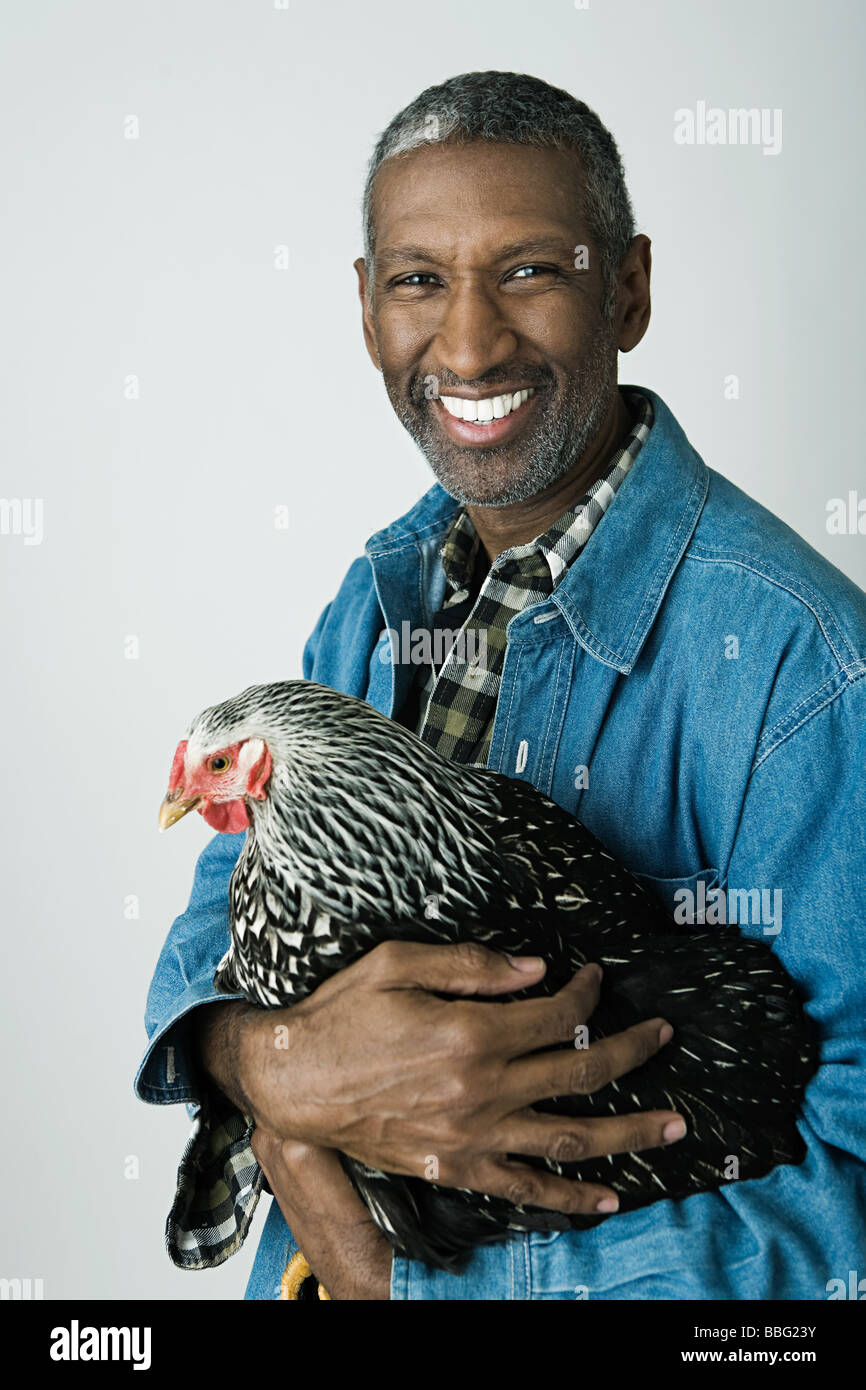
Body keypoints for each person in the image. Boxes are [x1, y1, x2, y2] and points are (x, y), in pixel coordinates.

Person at [136, 71, 866, 1301]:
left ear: (625, 287)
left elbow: (847, 1191)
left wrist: (407, 1288)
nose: (467, 342)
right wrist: (269, 1063)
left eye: (528, 269)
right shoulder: (372, 605)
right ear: (367, 311)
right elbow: (217, 934)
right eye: (419, 279)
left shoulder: (803, 670)